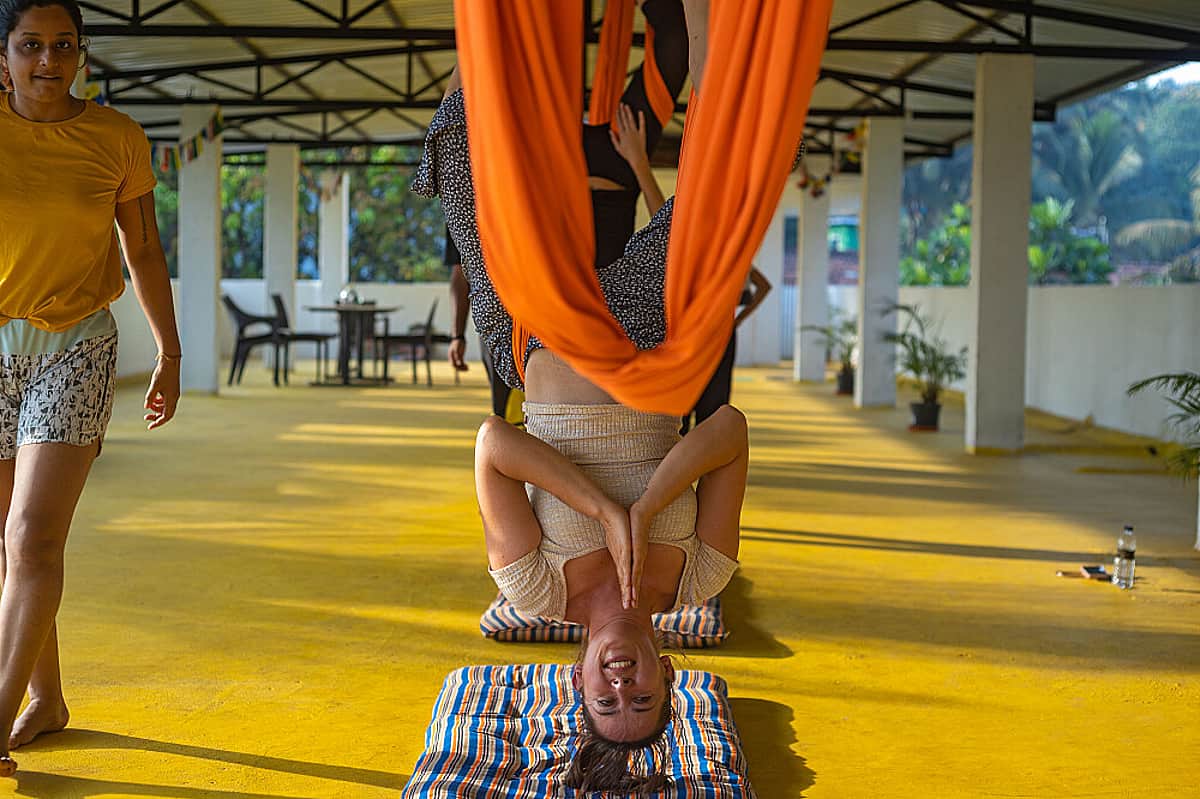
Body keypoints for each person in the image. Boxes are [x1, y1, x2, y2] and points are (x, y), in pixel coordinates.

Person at [413, 1, 747, 791]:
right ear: (671, 674)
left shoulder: (534, 590)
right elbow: (728, 426)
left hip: (532, 324)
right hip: (641, 326)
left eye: (608, 698)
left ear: (578, 681)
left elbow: (493, 447)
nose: (623, 682)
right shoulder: (701, 575)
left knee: (463, 142)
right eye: (642, 695)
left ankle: (496, 17)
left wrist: (605, 513)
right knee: (720, 174)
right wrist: (652, 499)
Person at [0, 0, 181, 776]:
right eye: (30, 45)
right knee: (5, 548)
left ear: (82, 52)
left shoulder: (116, 138)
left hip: (77, 343)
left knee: (33, 537)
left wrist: (170, 352)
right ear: (2, 54)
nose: (49, 60)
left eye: (63, 45)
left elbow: (141, 247)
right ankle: (47, 699)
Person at [681, 266, 773, 434]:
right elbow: (764, 286)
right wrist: (738, 320)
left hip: (692, 333)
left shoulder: (693, 256)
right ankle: (705, 453)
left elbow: (764, 287)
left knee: (685, 398)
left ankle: (682, 451)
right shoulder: (731, 257)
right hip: (721, 332)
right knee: (714, 400)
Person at [445, 225, 519, 422]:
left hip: (539, 318)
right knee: (508, 414)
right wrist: (457, 335)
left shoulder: (460, 197)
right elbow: (460, 272)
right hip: (497, 322)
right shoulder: (462, 200)